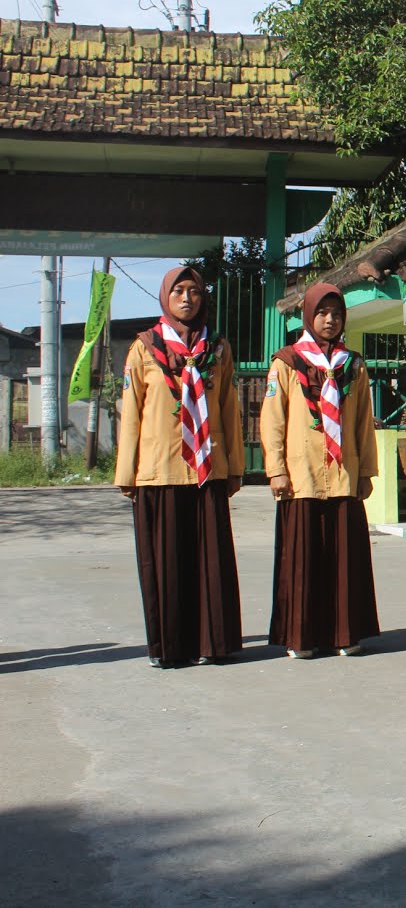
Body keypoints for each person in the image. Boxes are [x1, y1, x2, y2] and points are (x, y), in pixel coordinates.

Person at [114, 266, 244, 668]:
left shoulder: (217, 349)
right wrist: (127, 473)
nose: (188, 298)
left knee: (210, 561)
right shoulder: (144, 348)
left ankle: (212, 643)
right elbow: (131, 411)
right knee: (166, 563)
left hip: (208, 470)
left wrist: (234, 467)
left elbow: (228, 411)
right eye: (179, 291)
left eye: (195, 292)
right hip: (159, 469)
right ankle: (169, 647)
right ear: (165, 297)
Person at [261, 283, 381, 658]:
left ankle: (346, 633)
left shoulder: (353, 364)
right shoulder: (286, 362)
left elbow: (363, 422)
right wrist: (276, 471)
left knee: (345, 561)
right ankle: (302, 637)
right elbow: (273, 420)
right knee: (303, 560)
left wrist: (366, 472)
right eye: (322, 313)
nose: (330, 320)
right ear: (308, 316)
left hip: (343, 475)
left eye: (337, 313)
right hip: (302, 477)